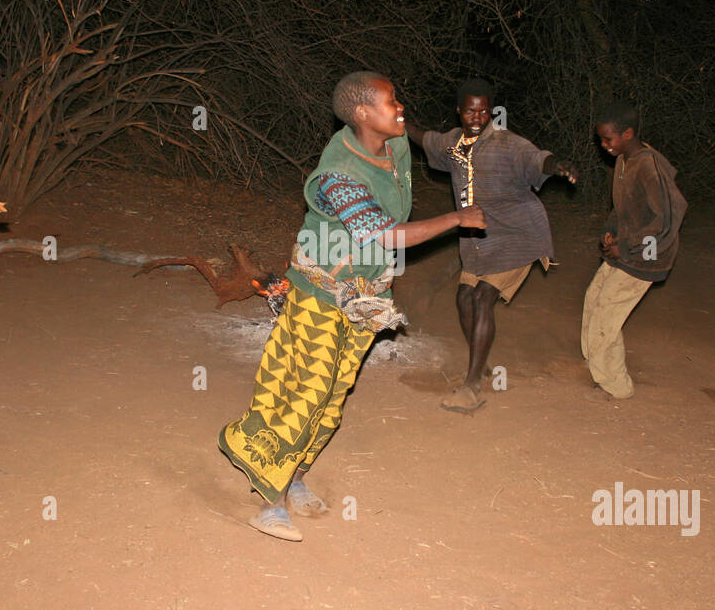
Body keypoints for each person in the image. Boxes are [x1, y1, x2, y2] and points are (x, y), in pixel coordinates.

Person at [219, 71, 486, 541]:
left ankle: (295, 477)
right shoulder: (338, 176)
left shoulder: (396, 147)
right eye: (391, 101)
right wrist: (457, 219)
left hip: (365, 298)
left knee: (335, 395)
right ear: (363, 114)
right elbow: (384, 234)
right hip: (319, 294)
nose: (400, 107)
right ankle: (271, 502)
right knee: (306, 391)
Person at [405, 78, 577, 411]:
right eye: (470, 109)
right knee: (464, 298)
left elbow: (538, 159)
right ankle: (479, 363)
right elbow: (423, 138)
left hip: (517, 235)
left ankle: (472, 386)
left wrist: (558, 166)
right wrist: (400, 122)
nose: (477, 116)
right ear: (459, 111)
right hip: (479, 239)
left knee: (483, 297)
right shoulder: (452, 144)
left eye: (484, 109)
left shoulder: (507, 143)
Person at [582, 102, 686, 399]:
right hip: (626, 248)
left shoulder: (649, 166)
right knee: (595, 300)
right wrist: (611, 232)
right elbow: (622, 207)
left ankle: (614, 386)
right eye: (600, 139)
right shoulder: (624, 159)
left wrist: (626, 247)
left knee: (606, 313)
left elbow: (669, 219)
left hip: (647, 254)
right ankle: (597, 365)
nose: (603, 145)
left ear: (627, 134)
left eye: (607, 139)